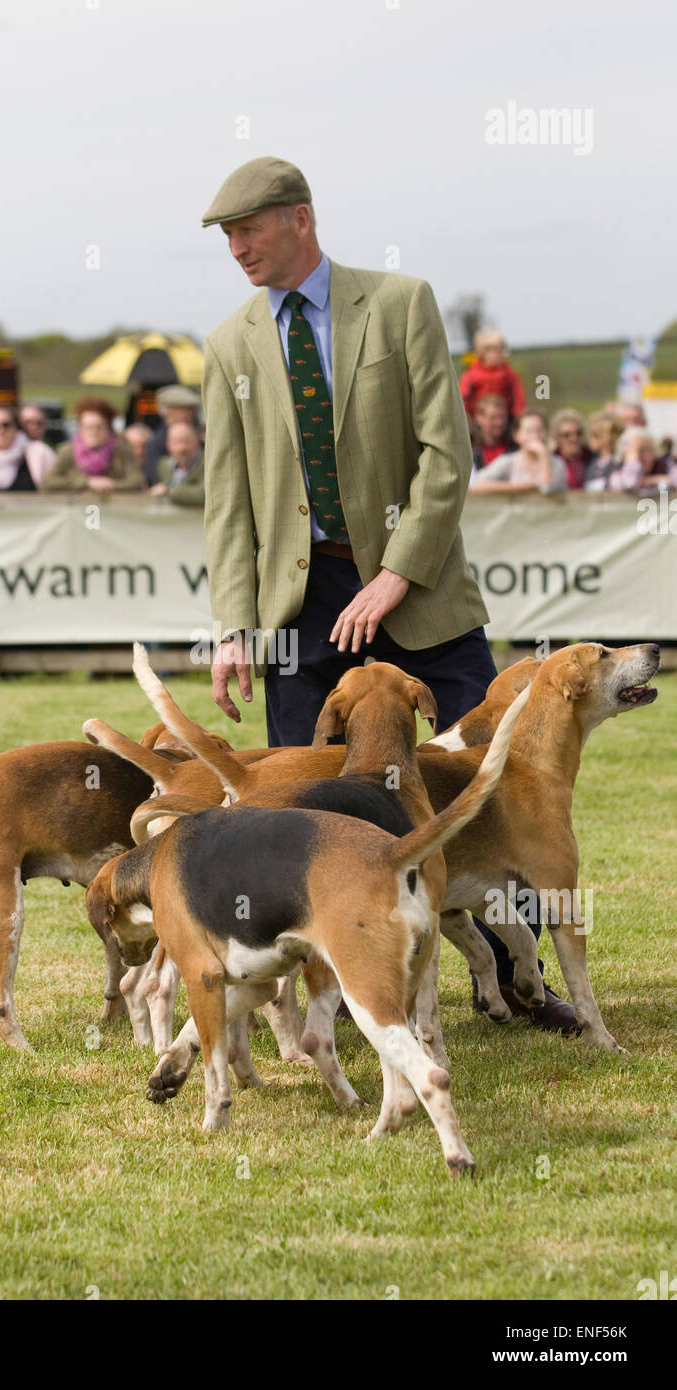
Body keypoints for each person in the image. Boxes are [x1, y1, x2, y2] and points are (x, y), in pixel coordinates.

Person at [199, 154, 576, 1035]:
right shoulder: (227, 346)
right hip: (300, 607)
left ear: (300, 218)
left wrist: (395, 576)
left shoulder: (401, 302)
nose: (237, 249)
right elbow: (229, 502)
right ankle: (340, 1009)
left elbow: (447, 458)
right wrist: (232, 626)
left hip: (420, 585)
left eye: (248, 230)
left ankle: (522, 982)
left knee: (487, 787)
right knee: (305, 808)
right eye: (226, 237)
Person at [42, 398, 143, 493]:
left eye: (99, 427)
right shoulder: (68, 451)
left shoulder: (121, 451)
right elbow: (48, 482)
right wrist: (87, 482)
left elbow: (137, 481)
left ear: (108, 428)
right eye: (89, 427)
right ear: (80, 428)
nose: (94, 432)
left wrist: (109, 485)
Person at [469, 411, 567, 495]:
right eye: (529, 431)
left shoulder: (557, 462)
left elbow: (548, 490)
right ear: (517, 435)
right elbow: (475, 485)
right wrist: (520, 488)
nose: (535, 436)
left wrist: (543, 456)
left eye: (540, 430)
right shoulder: (508, 461)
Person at [458, 328, 526, 421]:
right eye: (495, 351)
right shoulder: (471, 375)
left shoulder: (509, 374)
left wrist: (518, 418)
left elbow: (518, 398)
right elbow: (463, 398)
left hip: (505, 419)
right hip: (478, 419)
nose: (500, 354)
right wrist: (466, 418)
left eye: (502, 350)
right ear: (483, 353)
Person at [143, 384, 203, 486]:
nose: (192, 413)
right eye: (187, 409)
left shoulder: (198, 433)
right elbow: (157, 481)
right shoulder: (157, 444)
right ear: (170, 411)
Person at [148, 420, 205, 505]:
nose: (182, 448)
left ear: (197, 441)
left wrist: (168, 489)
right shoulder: (164, 465)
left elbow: (204, 494)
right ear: (168, 445)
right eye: (176, 442)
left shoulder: (206, 464)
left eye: (187, 441)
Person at [607, 427, 670, 491]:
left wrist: (652, 480)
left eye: (645, 449)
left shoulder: (666, 467)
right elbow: (630, 483)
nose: (639, 456)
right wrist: (633, 462)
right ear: (623, 455)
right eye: (633, 451)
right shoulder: (617, 476)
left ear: (653, 452)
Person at [551, 408, 594, 489]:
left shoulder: (593, 459)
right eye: (566, 435)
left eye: (578, 433)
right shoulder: (551, 461)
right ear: (557, 437)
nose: (574, 439)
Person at [471, 393, 512, 470]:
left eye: (502, 417)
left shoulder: (515, 449)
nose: (499, 423)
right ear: (479, 418)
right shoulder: (470, 452)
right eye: (493, 418)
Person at [584, 412, 622, 491]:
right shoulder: (591, 461)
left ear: (606, 437)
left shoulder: (619, 463)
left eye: (594, 434)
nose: (590, 438)